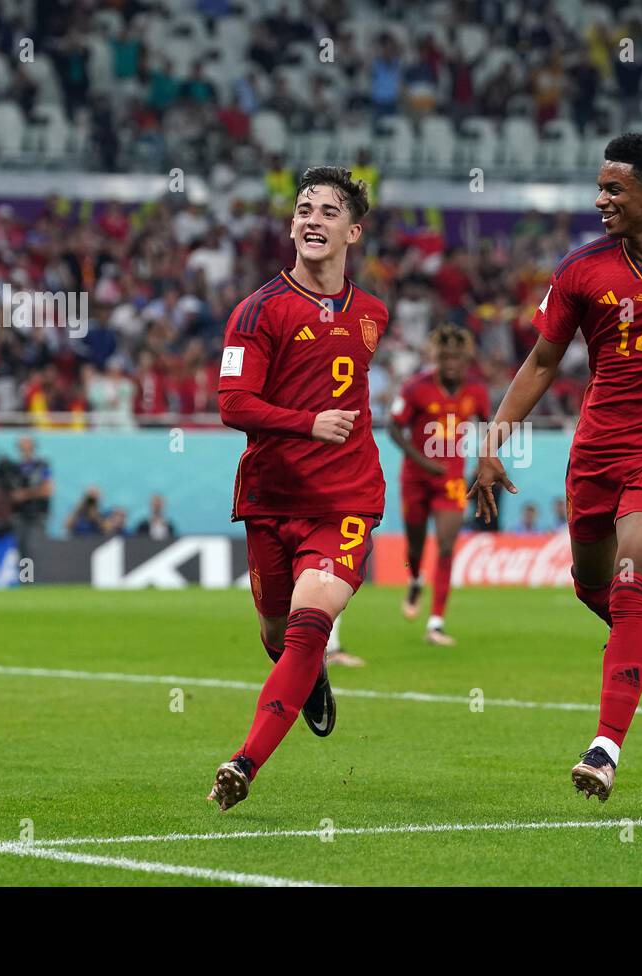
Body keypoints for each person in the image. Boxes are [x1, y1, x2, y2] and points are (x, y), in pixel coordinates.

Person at [470, 132, 642, 801]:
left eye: (613, 190)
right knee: (594, 585)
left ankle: (604, 748)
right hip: (595, 455)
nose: (600, 200)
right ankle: (634, 641)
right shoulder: (581, 272)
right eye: (599, 188)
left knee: (631, 586)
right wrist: (492, 441)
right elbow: (542, 362)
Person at [207, 166, 387, 812]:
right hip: (270, 499)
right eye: (304, 209)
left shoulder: (372, 314)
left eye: (329, 211)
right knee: (278, 636)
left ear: (353, 232)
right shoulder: (257, 311)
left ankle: (243, 761)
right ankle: (308, 680)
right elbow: (232, 404)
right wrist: (307, 424)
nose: (313, 218)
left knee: (311, 626)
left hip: (345, 501)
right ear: (291, 226)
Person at [388, 325, 490, 646]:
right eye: (444, 357)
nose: (450, 364)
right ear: (436, 358)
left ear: (465, 360)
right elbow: (393, 427)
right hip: (416, 478)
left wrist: (484, 462)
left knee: (446, 546)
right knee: (416, 547)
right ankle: (416, 578)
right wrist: (422, 461)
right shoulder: (415, 387)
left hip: (451, 480)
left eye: (456, 358)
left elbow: (488, 427)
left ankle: (435, 623)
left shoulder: (476, 392)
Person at [3, 437, 53, 562]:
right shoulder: (14, 469)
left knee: (33, 549)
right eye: (23, 447)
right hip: (19, 515)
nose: (25, 450)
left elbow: (47, 490)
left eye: (28, 446)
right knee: (22, 551)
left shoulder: (42, 466)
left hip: (37, 515)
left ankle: (33, 578)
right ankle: (27, 579)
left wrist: (24, 495)